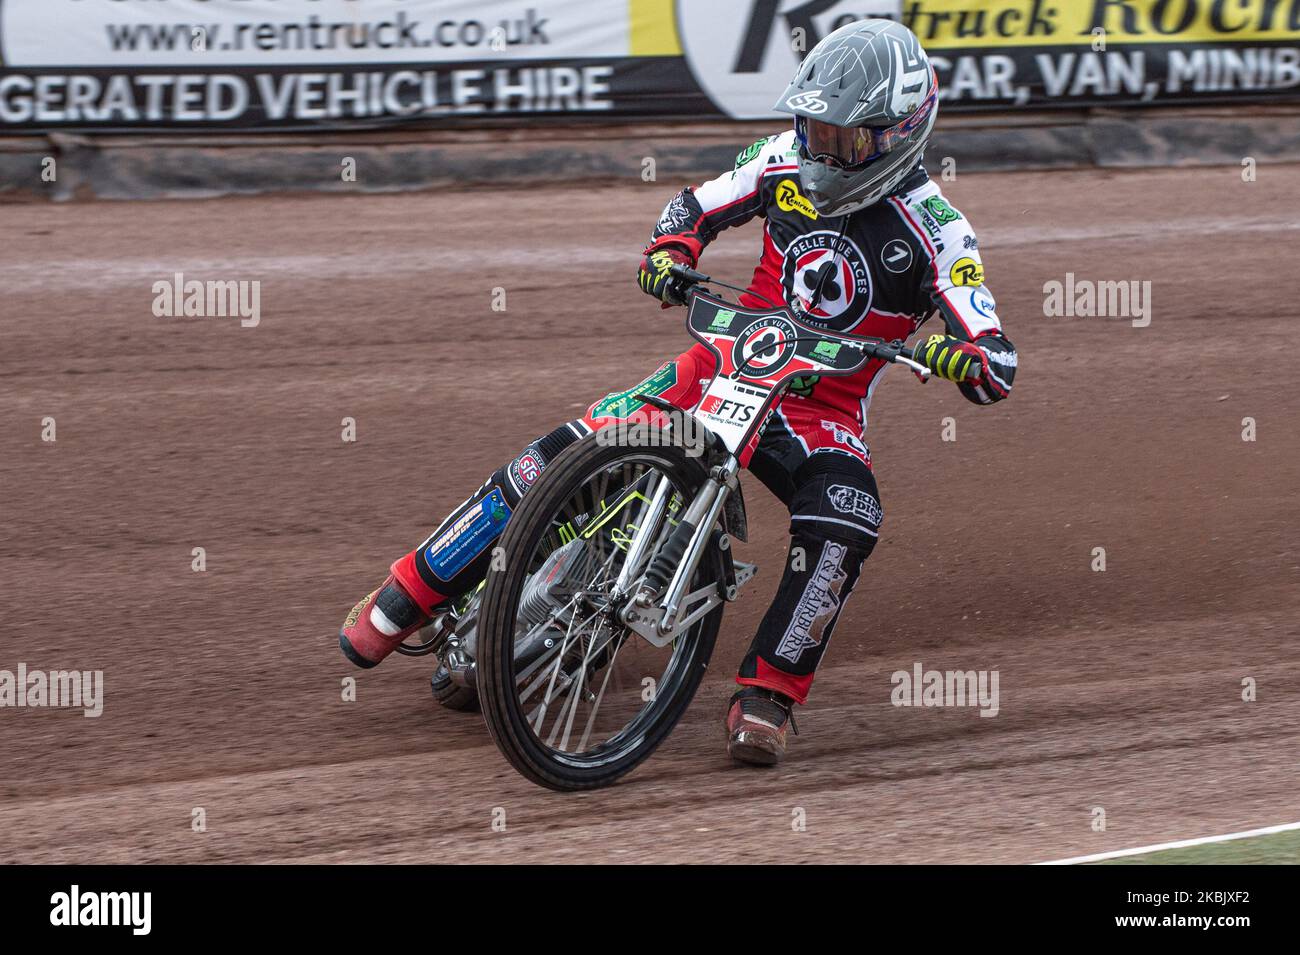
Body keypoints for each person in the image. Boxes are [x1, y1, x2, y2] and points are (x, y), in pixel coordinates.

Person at [338, 18, 1018, 766]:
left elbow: (995, 352)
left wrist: (969, 360)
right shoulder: (782, 160)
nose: (821, 148)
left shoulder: (939, 230)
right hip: (721, 364)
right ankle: (407, 595)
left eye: (842, 139)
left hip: (816, 411)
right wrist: (670, 251)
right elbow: (693, 206)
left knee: (847, 520)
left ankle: (769, 694)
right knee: (560, 454)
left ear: (900, 133)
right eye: (813, 128)